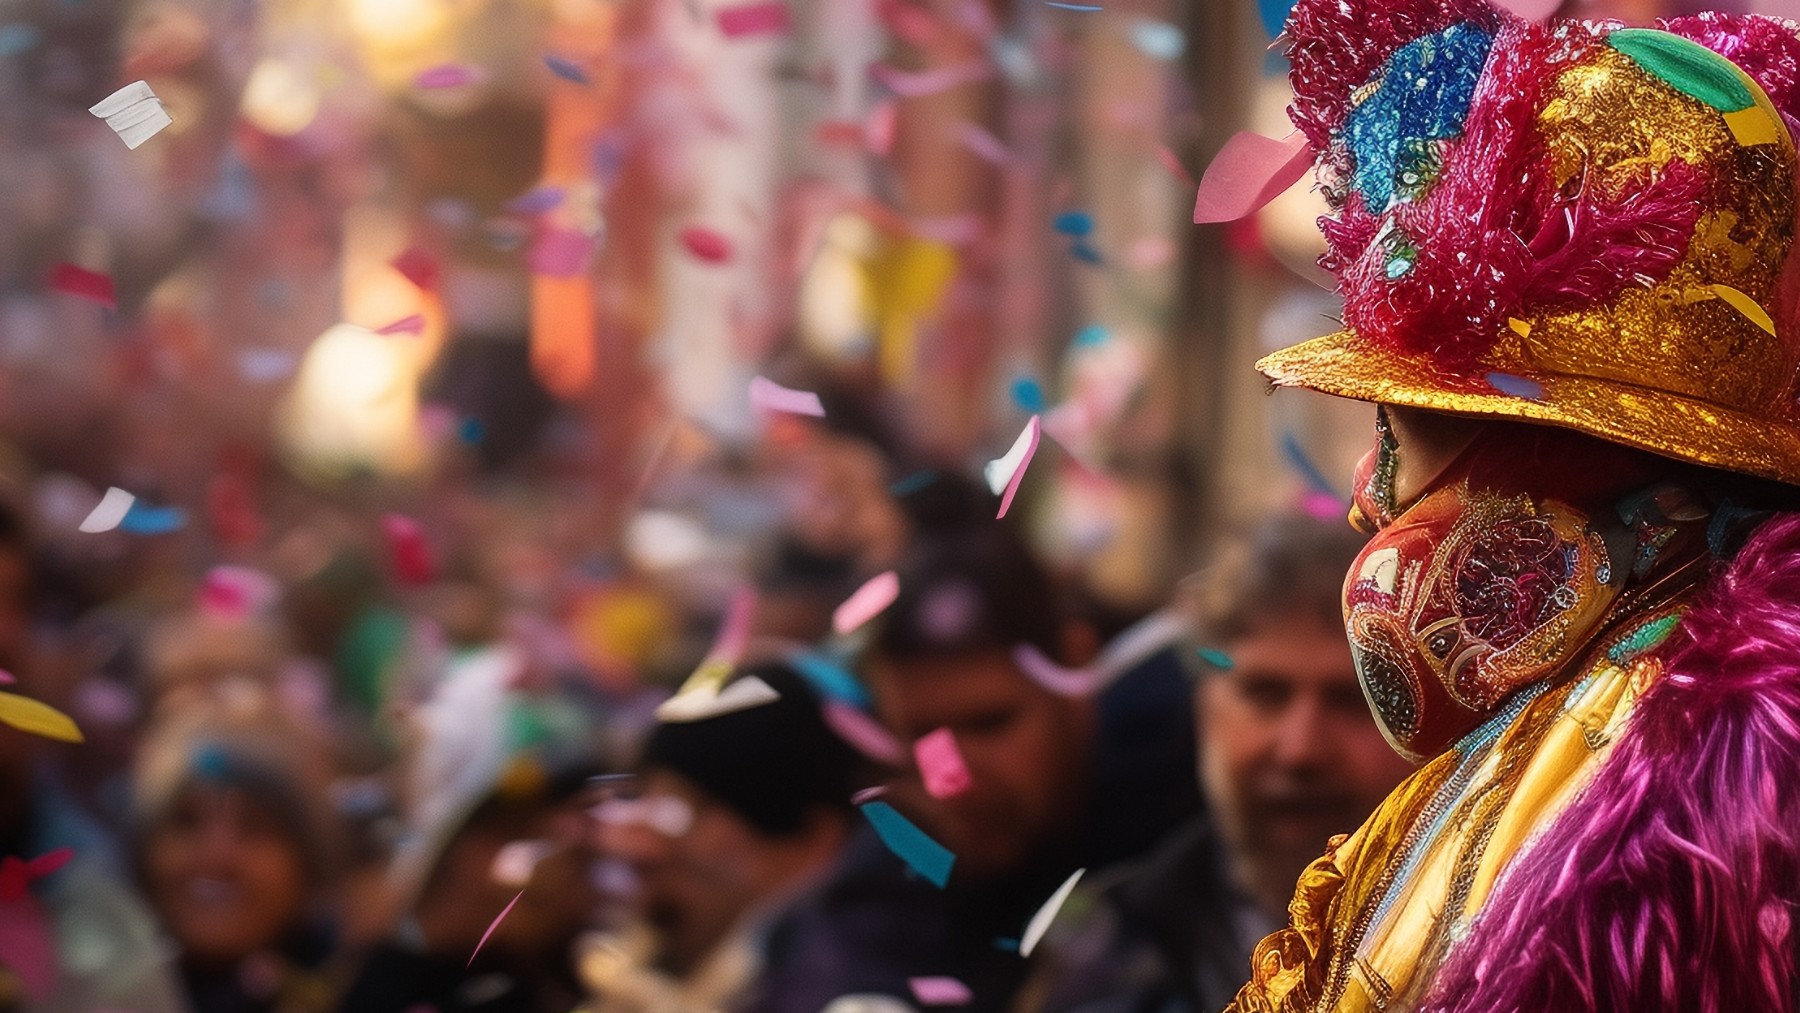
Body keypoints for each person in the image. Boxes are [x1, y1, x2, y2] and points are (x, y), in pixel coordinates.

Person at [1202, 2, 1800, 1009]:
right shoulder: (1629, 737)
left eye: (1403, 430)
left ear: (1558, 456)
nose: (1368, 499)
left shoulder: (1684, 805)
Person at [751, 509, 1202, 1012]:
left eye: (990, 724)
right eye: (923, 734)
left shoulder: (1190, 796)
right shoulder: (916, 838)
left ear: (1073, 671)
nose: (953, 778)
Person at [1020, 513, 1413, 1013]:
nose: (1301, 749)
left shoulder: (1491, 934)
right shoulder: (1104, 946)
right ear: (1205, 705)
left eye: (1352, 698)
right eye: (1265, 693)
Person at [577, 662, 862, 1012]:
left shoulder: (836, 991)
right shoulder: (613, 966)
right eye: (642, 800)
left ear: (811, 844)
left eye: (689, 810)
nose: (639, 844)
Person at [335, 643, 603, 1013]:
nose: (576, 890)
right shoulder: (360, 979)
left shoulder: (565, 984)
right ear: (465, 844)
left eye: (586, 861)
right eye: (534, 837)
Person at [132, 734, 341, 1013]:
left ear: (308, 862)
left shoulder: (369, 992)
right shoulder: (91, 990)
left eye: (253, 826)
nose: (216, 856)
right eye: (186, 821)